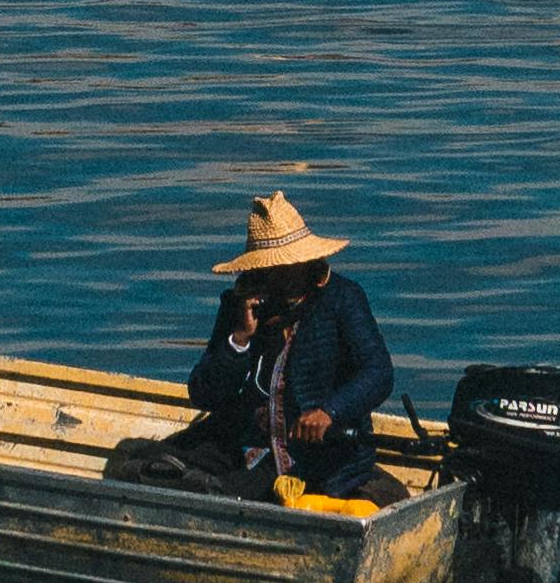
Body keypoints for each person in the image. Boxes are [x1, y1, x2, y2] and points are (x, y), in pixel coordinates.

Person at [121, 189, 397, 498]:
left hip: (314, 453)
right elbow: (204, 394)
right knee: (140, 462)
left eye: (287, 266)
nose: (279, 277)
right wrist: (239, 338)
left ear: (305, 263)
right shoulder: (240, 305)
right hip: (243, 440)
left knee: (225, 494)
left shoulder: (342, 299)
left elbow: (378, 373)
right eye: (270, 269)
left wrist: (328, 412)